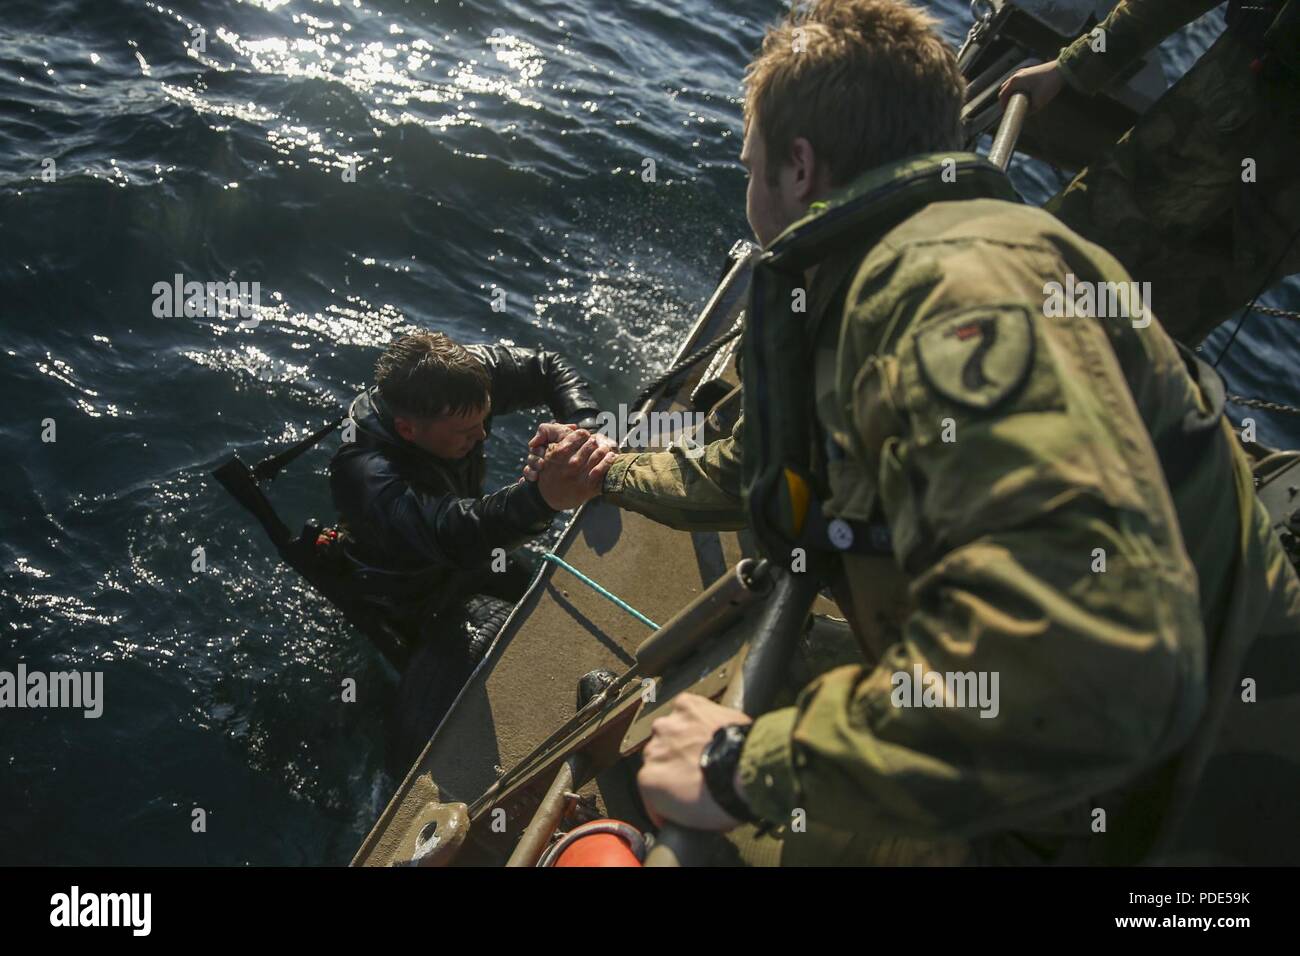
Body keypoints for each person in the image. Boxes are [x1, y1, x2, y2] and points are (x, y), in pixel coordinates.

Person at [527, 0, 1300, 864]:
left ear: (799, 168)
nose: (748, 194)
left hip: (1170, 823)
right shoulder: (961, 253)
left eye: (750, 168)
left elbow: (1077, 656)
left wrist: (747, 769)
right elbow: (747, 470)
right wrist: (611, 470)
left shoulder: (950, 306)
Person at [1000, 0, 1300, 346]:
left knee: (1124, 341)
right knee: (1043, 277)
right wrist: (1071, 67)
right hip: (1205, 151)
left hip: (1247, 209)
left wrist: (1071, 68)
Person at [329, 331, 614, 649]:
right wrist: (542, 499)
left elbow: (546, 368)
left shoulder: (467, 379)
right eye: (466, 431)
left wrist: (586, 431)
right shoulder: (369, 477)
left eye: (485, 418)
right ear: (407, 429)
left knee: (552, 599)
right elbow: (452, 534)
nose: (481, 435)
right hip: (414, 596)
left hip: (476, 557)